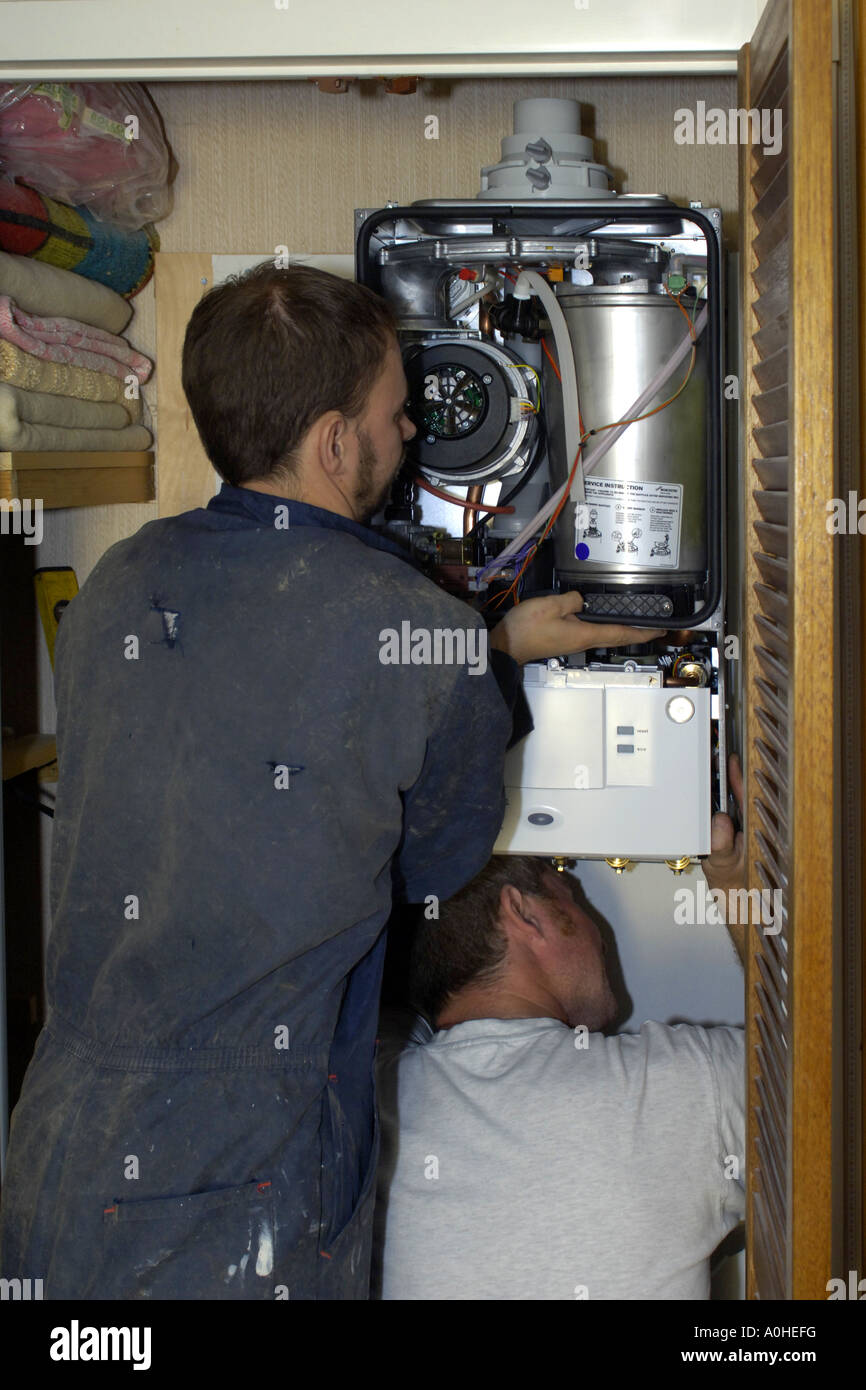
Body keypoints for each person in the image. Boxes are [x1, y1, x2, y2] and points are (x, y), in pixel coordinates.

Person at [0, 261, 656, 1301]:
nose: (407, 438)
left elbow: (253, 705)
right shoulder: (421, 636)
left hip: (56, 1144)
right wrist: (476, 663)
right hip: (234, 1184)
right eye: (395, 416)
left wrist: (477, 650)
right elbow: (430, 871)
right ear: (333, 441)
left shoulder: (121, 579)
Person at [374, 756, 746, 1300]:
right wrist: (738, 882)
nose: (600, 937)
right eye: (574, 897)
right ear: (525, 915)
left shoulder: (366, 1098)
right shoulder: (673, 1090)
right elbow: (826, 1075)